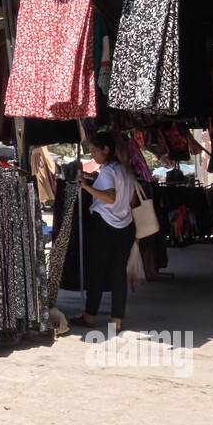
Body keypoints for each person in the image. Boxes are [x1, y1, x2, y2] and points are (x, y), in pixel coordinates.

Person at [72, 132, 137, 333]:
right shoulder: (125, 170)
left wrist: (85, 186)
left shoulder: (108, 170)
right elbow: (129, 199)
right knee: (118, 273)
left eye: (94, 151)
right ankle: (117, 319)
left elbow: (109, 197)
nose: (93, 156)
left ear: (106, 150)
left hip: (105, 226)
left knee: (97, 272)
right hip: (125, 225)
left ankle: (90, 315)